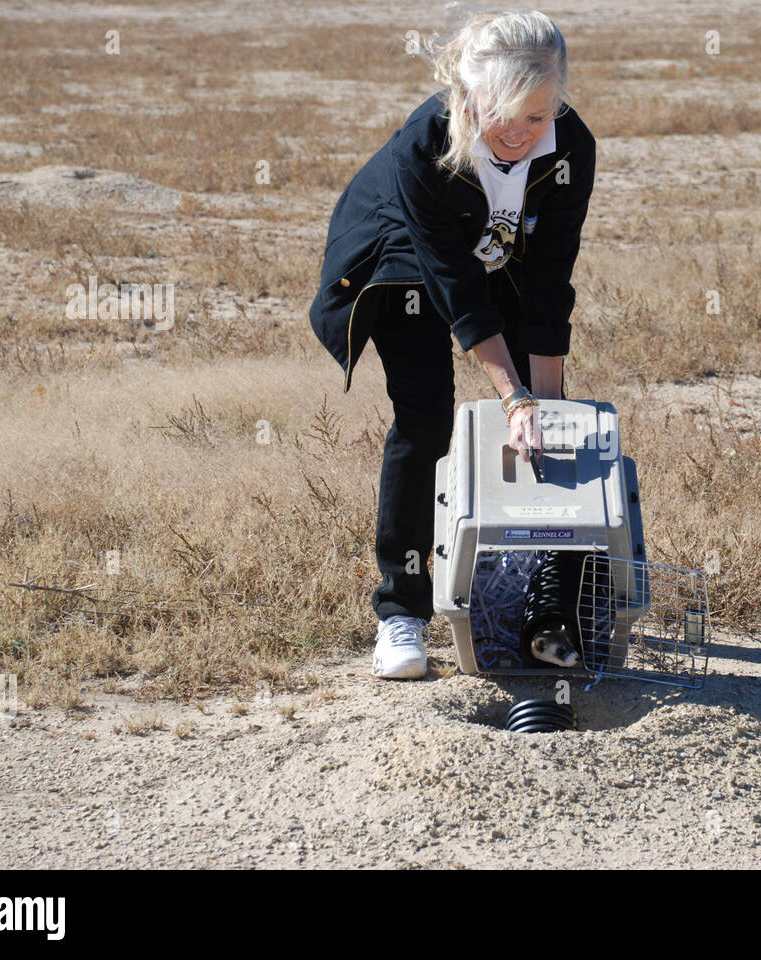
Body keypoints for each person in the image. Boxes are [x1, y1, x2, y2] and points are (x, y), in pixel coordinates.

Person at [308, 9, 596, 679]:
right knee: (426, 415)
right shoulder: (424, 144)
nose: (520, 133)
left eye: (539, 115)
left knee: (549, 424)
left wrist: (540, 407)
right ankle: (401, 614)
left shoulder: (570, 146)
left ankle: (546, 605)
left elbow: (550, 282)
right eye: (503, 114)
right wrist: (512, 394)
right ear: (466, 95)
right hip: (399, 253)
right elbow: (455, 286)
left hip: (498, 248)